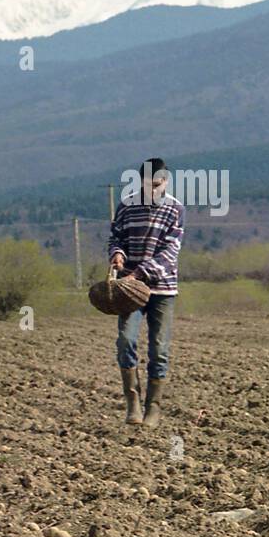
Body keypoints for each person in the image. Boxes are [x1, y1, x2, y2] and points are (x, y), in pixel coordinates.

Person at [108, 157, 185, 427]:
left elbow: (171, 252)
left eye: (159, 183)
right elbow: (116, 236)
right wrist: (117, 254)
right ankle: (133, 403)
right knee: (126, 341)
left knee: (159, 348)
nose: (154, 188)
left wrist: (139, 273)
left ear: (165, 181)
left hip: (162, 288)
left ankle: (154, 406)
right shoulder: (126, 206)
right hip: (129, 291)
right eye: (149, 183)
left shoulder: (175, 209)